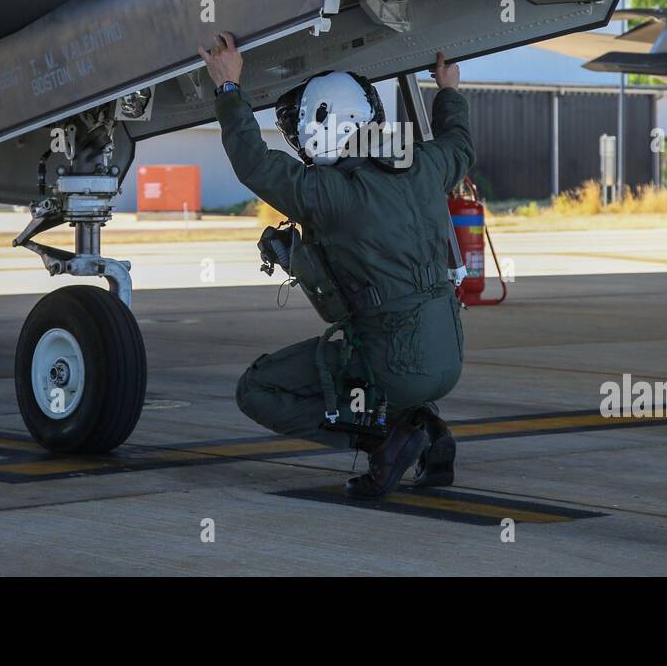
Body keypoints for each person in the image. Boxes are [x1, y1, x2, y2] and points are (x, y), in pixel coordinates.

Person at [198, 32, 473, 499]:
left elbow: (254, 163)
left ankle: (389, 441)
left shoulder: (329, 194)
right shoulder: (424, 165)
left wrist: (228, 88)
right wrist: (448, 91)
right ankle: (426, 427)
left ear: (319, 123)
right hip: (449, 354)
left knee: (257, 391)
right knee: (379, 342)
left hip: (398, 362)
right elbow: (460, 144)